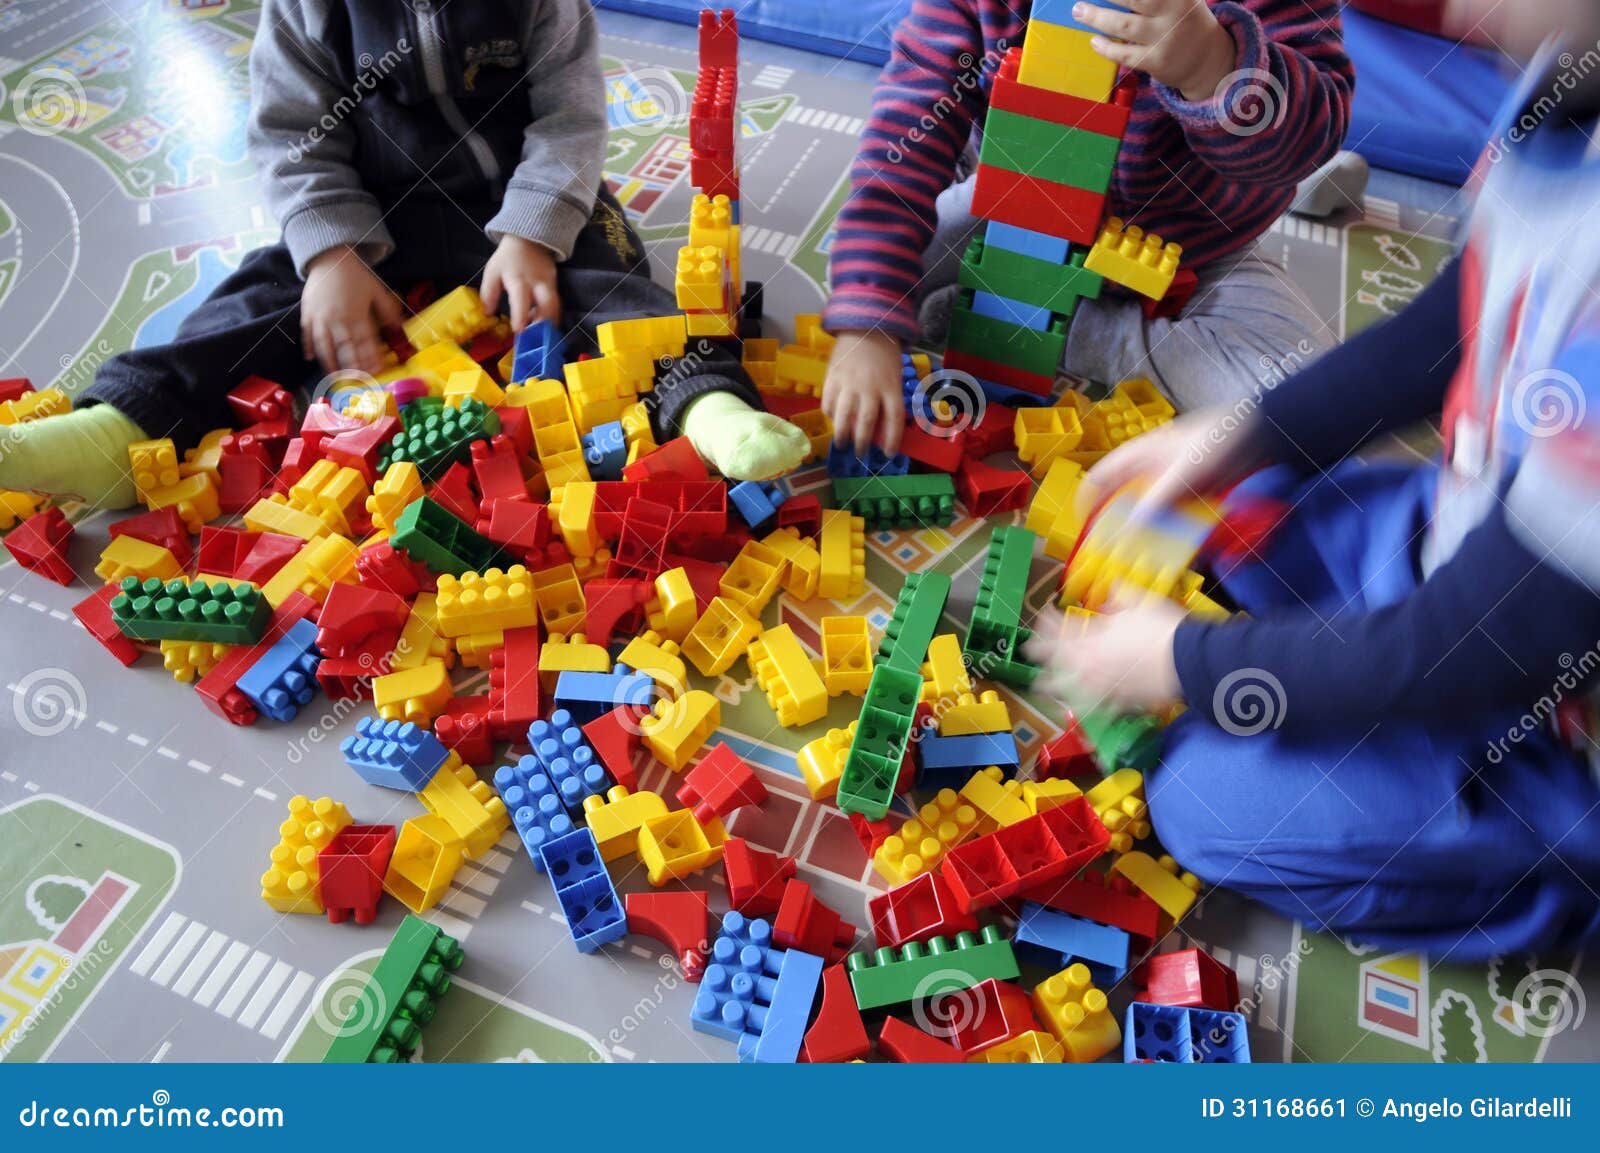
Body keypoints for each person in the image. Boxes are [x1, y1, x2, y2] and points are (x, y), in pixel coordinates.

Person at [1030, 0, 1600, 958]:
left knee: (1207, 805)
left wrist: (1185, 664)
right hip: (1495, 531)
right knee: (1237, 515)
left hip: (1541, 685)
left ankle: (1555, 865)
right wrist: (1250, 435)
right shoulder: (1564, 76)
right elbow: (1457, 321)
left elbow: (1470, 648)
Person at [0, 0, 805, 508]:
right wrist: (330, 256)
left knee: (615, 276)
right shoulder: (309, 12)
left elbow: (571, 120)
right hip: (376, 217)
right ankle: (123, 424)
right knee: (258, 292)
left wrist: (532, 229)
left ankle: (704, 403)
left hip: (525, 205)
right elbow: (293, 141)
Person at [820, 0, 1355, 455]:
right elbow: (909, 129)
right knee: (862, 270)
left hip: (1192, 248)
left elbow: (1310, 138)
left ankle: (1072, 327)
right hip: (1008, 203)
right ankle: (999, 293)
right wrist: (869, 322)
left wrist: (1213, 67)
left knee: (1311, 405)